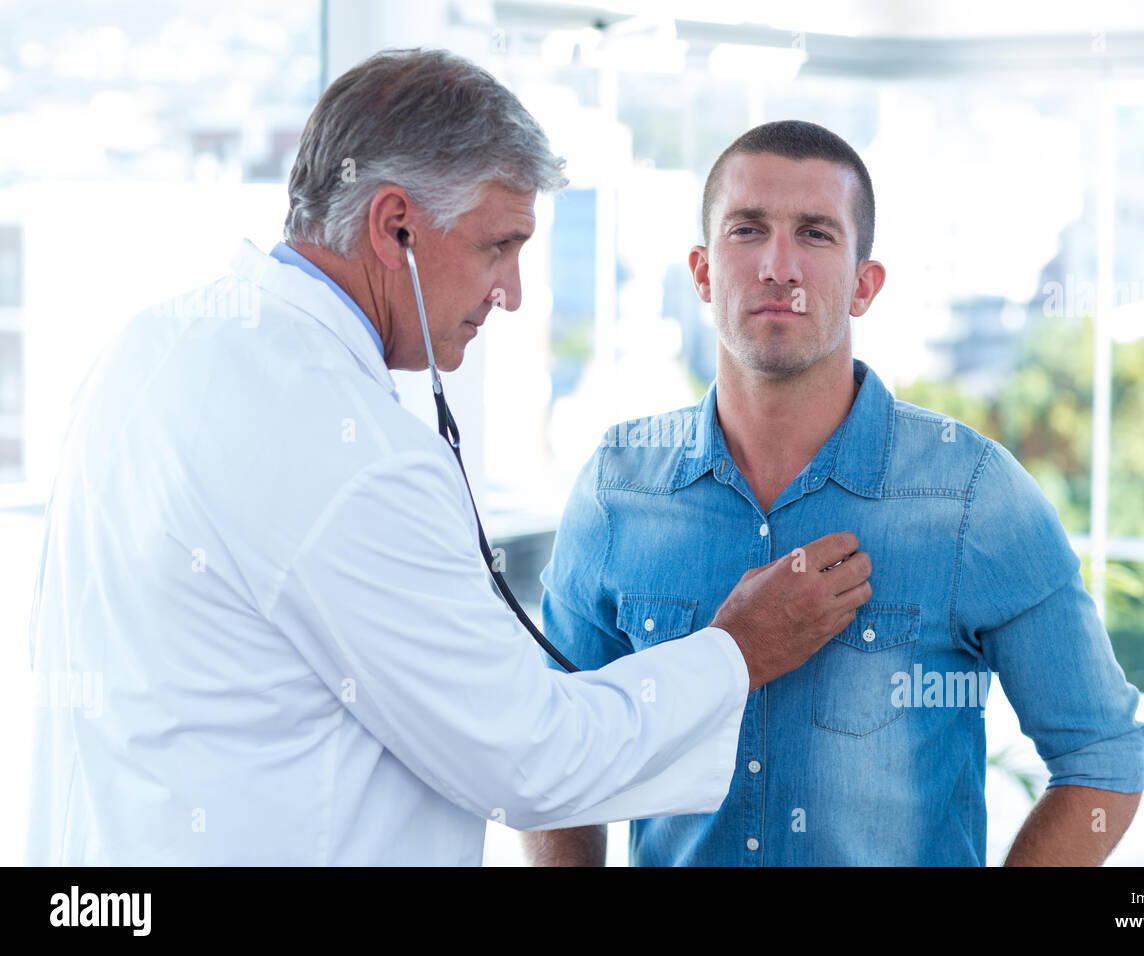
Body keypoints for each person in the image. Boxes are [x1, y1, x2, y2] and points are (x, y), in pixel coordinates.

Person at [24, 53, 873, 866]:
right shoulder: (349, 454)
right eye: (498, 245)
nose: (511, 291)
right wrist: (738, 650)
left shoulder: (156, 345)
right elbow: (530, 758)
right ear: (395, 225)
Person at [524, 120, 1144, 867]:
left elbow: (1101, 761)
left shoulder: (973, 497)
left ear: (864, 285)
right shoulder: (617, 488)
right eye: (747, 230)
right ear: (701, 271)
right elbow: (557, 750)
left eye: (815, 235)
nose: (777, 266)